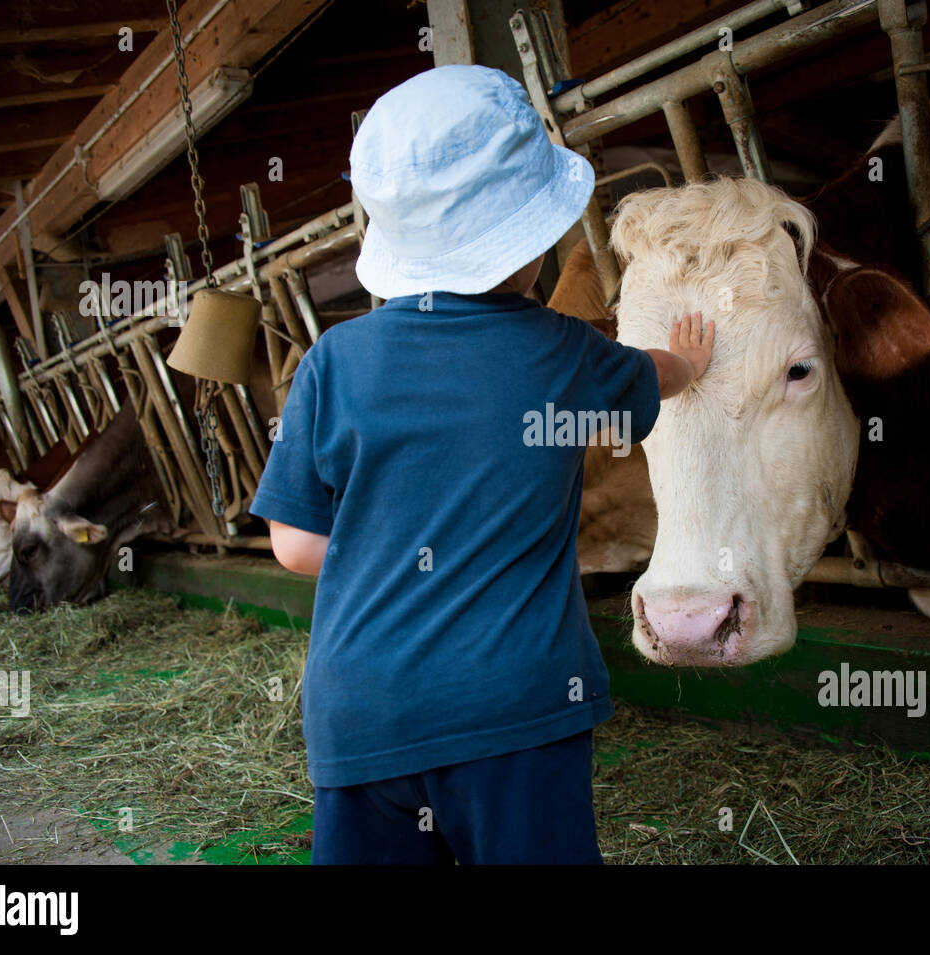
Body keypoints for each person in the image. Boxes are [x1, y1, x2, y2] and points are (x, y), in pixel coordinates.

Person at [251, 64, 713, 865]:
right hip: (516, 707)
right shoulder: (567, 353)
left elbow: (293, 546)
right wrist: (690, 358)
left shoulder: (331, 360)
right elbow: (657, 377)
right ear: (534, 239)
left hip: (360, 714)